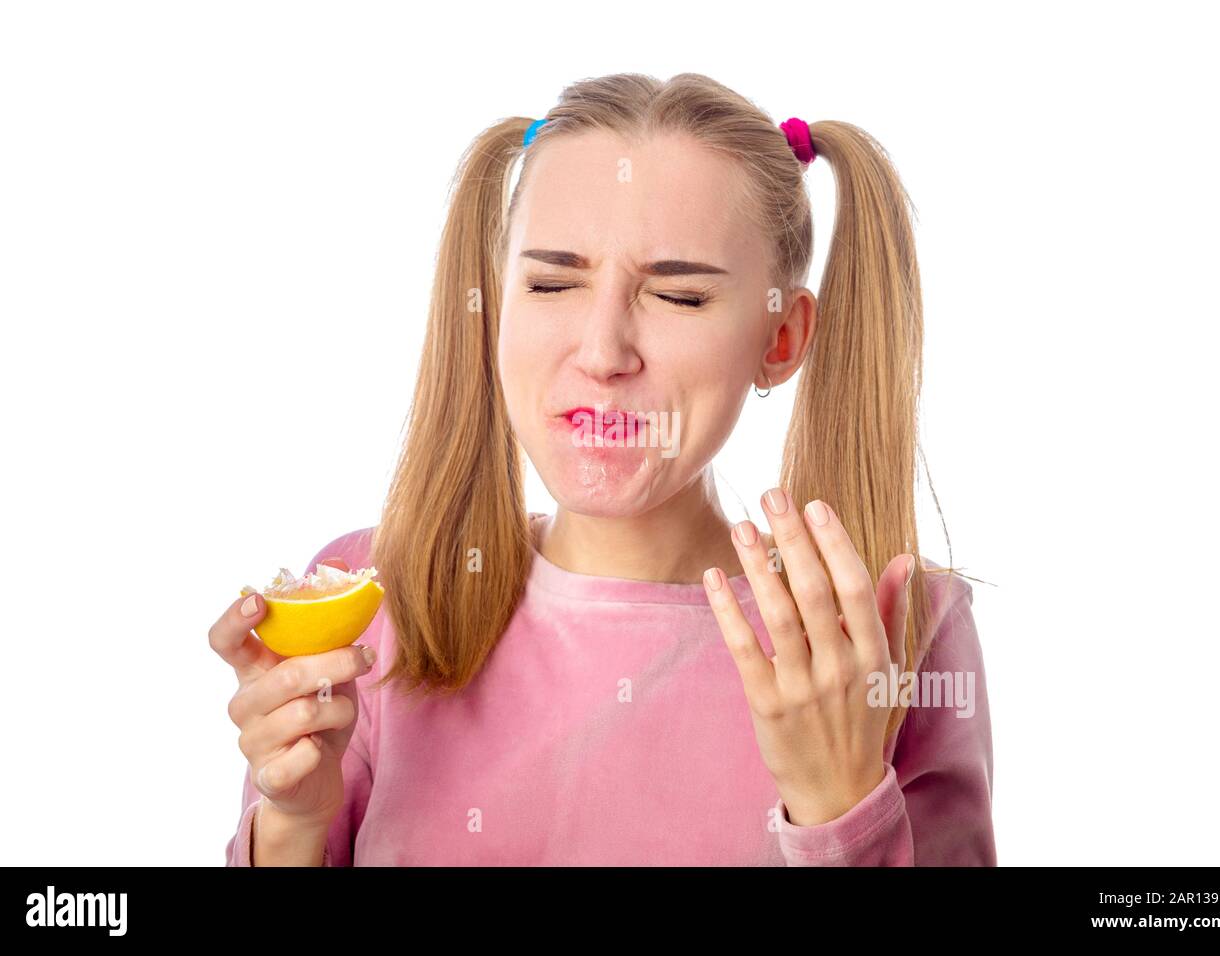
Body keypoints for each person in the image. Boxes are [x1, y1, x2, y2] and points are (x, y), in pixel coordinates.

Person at [213, 71, 995, 866]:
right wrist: (296, 828)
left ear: (781, 338)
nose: (600, 352)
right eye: (552, 283)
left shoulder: (897, 631)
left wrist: (840, 812)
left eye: (680, 297)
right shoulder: (371, 594)